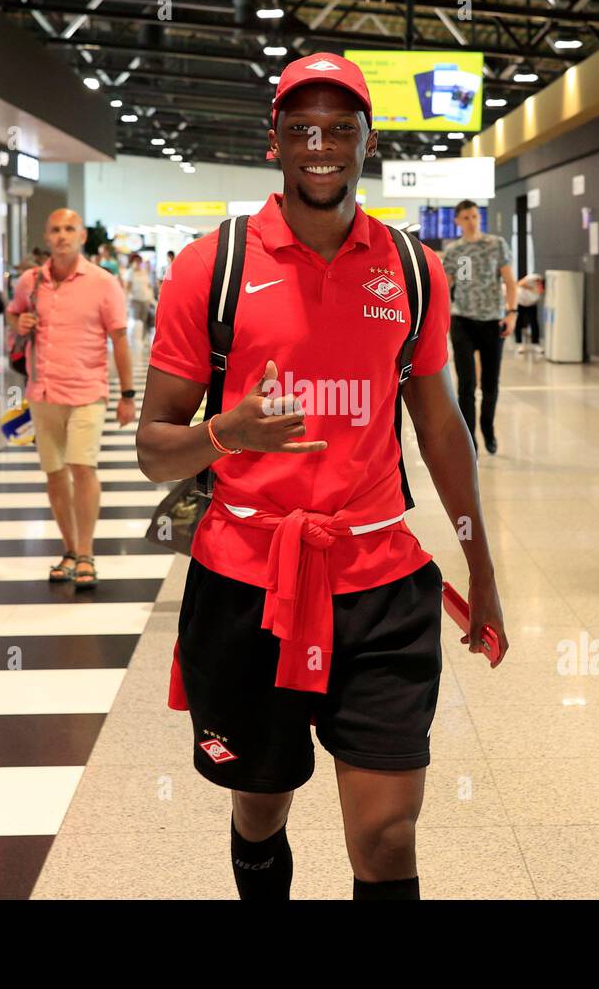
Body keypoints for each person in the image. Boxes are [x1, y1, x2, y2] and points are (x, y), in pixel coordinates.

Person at [137, 52, 509, 902]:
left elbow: (443, 427)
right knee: (262, 807)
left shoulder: (412, 269)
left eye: (341, 128)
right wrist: (224, 433)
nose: (321, 144)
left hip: (380, 581)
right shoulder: (211, 266)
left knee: (385, 833)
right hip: (247, 583)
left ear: (366, 142)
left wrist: (479, 567)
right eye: (301, 127)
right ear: (274, 140)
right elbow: (155, 448)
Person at [7, 209, 135, 588]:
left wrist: (127, 394)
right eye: (55, 230)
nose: (62, 236)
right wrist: (20, 323)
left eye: (69, 229)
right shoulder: (30, 281)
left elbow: (120, 340)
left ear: (81, 236)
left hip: (87, 392)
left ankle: (86, 553)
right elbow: (14, 316)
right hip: (43, 391)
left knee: (83, 467)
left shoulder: (104, 283)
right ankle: (68, 549)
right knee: (55, 473)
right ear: (47, 237)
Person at [441, 200, 517, 454]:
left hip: (492, 321)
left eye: (474, 216)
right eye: (466, 217)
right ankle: (469, 438)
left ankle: (488, 428)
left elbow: (510, 282)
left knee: (490, 383)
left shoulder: (496, 245)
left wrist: (512, 313)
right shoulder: (453, 251)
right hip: (462, 320)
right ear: (458, 222)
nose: (472, 221)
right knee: (466, 384)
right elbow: (445, 287)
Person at [127, 252, 155, 345]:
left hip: (145, 299)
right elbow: (128, 287)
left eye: (139, 261)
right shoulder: (130, 272)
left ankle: (142, 340)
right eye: (136, 261)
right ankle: (134, 340)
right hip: (135, 299)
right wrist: (127, 300)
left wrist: (151, 298)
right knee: (136, 320)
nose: (138, 263)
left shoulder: (144, 272)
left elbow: (148, 285)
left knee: (144, 320)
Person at [514, 272, 542, 355]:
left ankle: (536, 344)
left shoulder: (541, 285)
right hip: (521, 302)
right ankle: (519, 344)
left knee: (534, 323)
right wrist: (530, 288)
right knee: (519, 323)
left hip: (531, 304)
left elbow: (540, 291)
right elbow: (519, 283)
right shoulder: (533, 277)